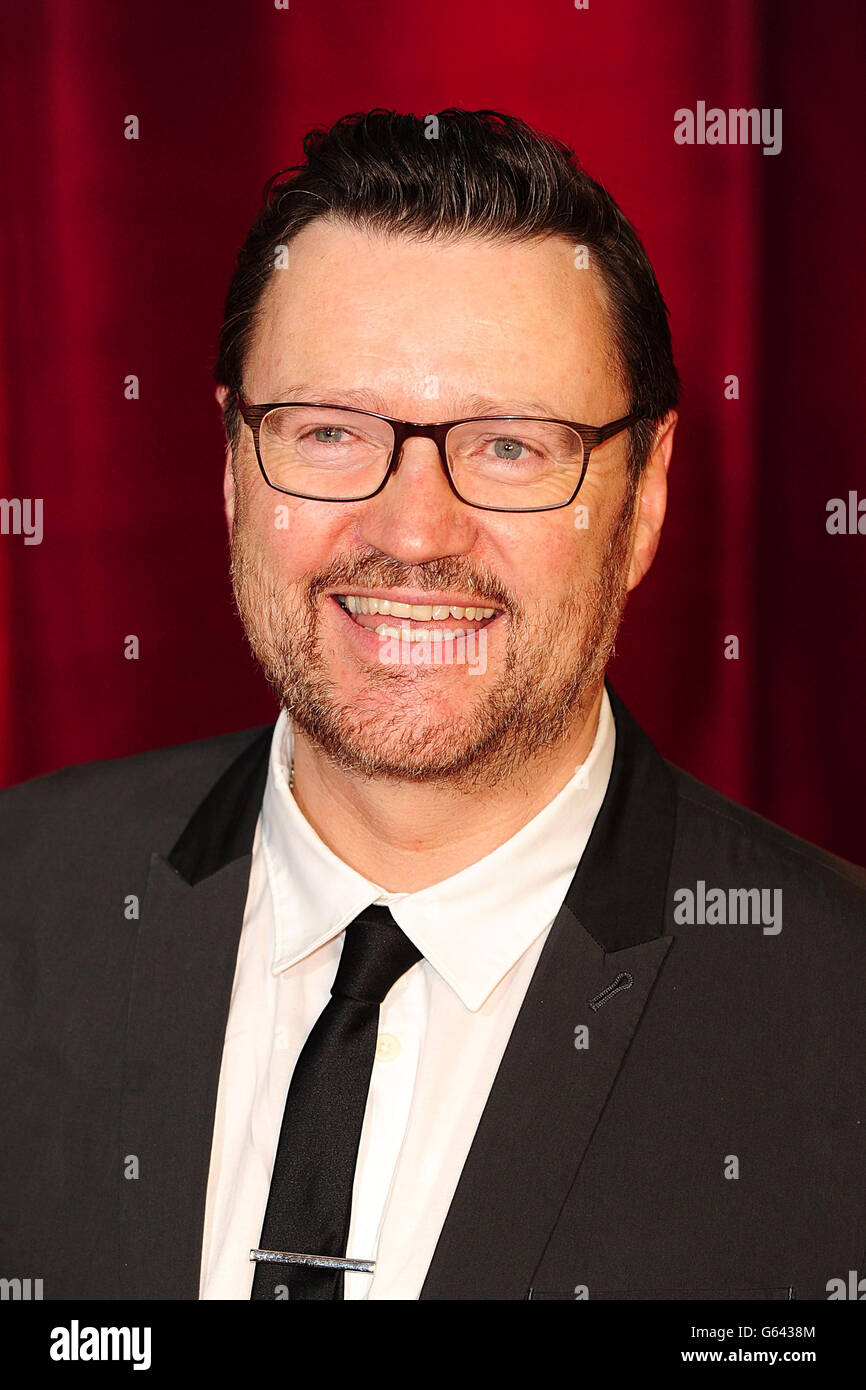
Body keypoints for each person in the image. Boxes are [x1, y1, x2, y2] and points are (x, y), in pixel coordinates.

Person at [1, 109, 863, 1303]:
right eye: (329, 431)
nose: (411, 532)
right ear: (231, 466)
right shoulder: (21, 904)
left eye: (511, 446)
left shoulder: (836, 1018)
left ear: (647, 494)